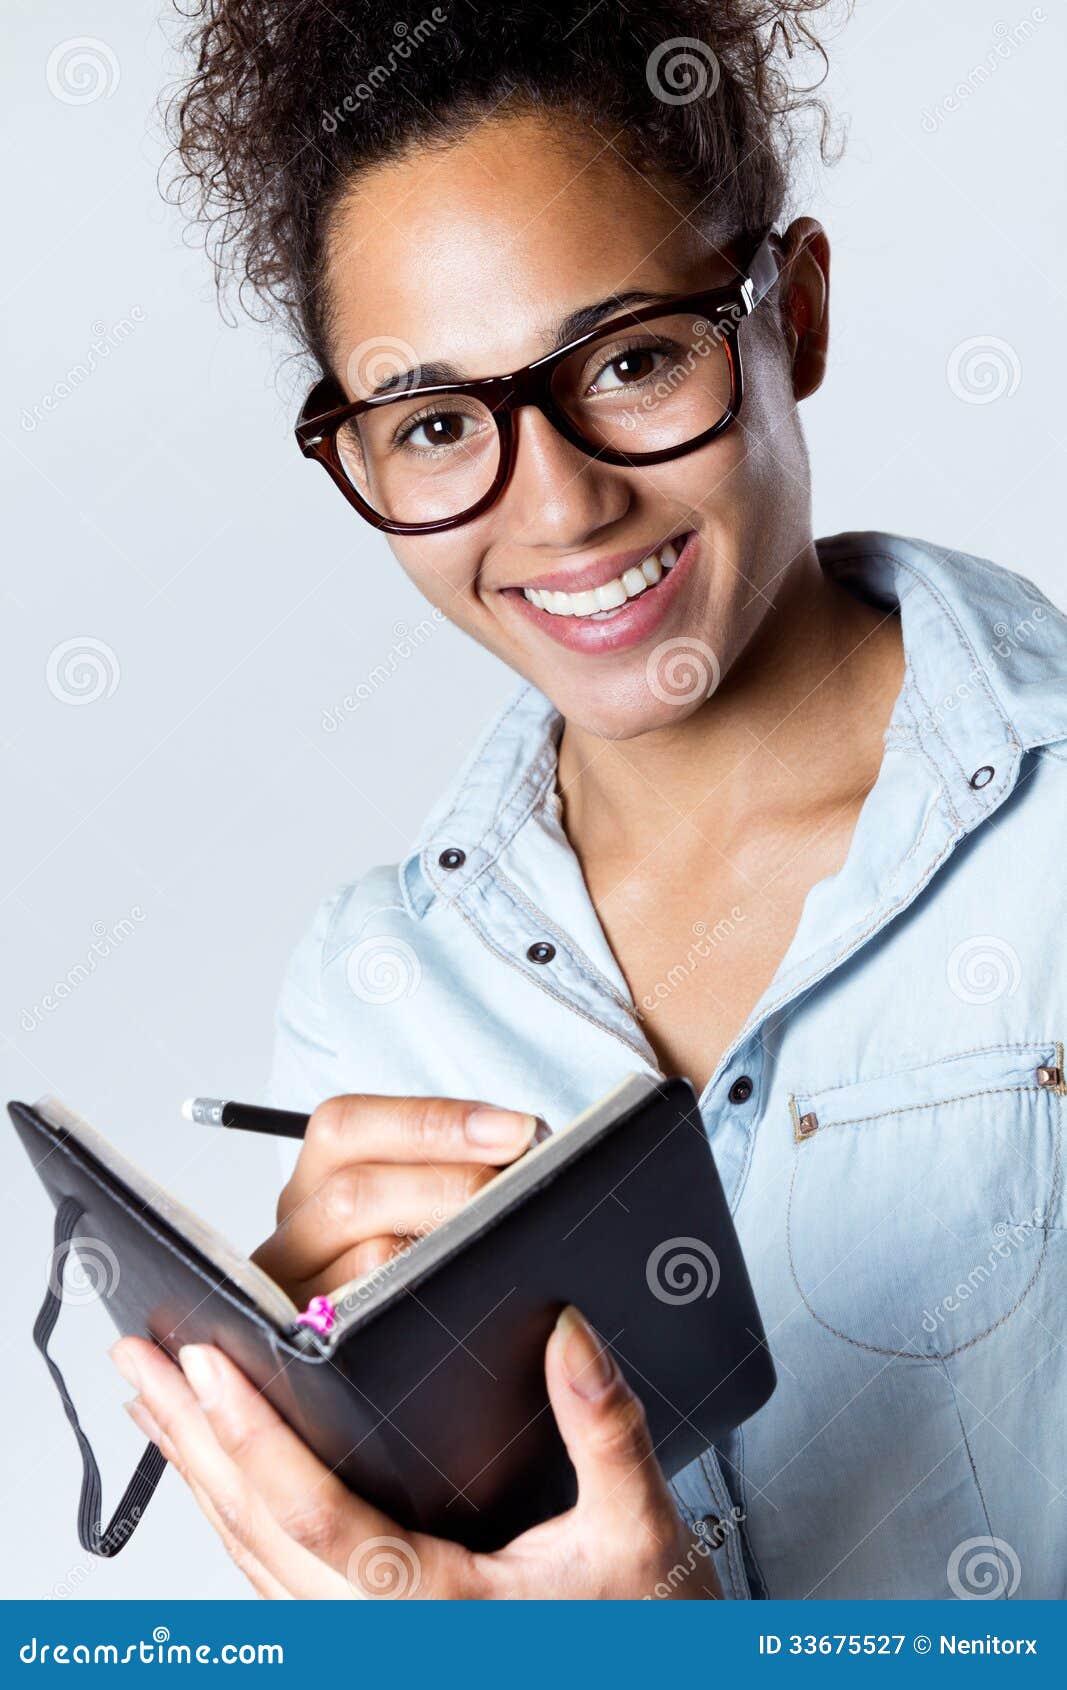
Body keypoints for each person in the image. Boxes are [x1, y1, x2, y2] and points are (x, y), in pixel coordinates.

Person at [112, 0, 1067, 1599]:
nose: (560, 505)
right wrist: (340, 1457)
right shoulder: (377, 995)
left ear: (796, 316)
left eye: (631, 358)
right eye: (434, 424)